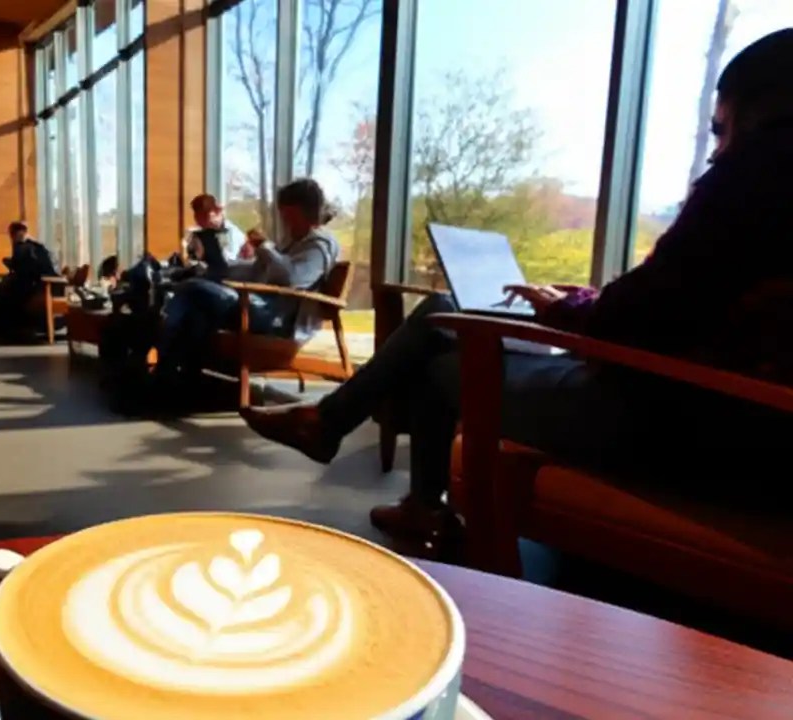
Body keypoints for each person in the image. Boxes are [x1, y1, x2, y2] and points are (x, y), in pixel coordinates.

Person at [242, 29, 793, 542]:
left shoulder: (752, 179)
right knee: (441, 310)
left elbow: (630, 320)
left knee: (435, 357)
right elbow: (679, 302)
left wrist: (570, 308)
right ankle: (342, 434)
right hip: (743, 429)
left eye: (721, 129)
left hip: (683, 428)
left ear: (757, 111)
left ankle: (361, 451)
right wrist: (581, 301)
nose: (717, 149)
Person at [156, 179, 340, 392]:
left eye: (287, 216)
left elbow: (292, 278)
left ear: (300, 211)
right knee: (197, 307)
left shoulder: (319, 246)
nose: (285, 222)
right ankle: (183, 383)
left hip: (276, 320)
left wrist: (265, 247)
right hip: (261, 307)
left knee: (192, 289)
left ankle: (163, 374)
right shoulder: (295, 243)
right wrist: (218, 270)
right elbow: (255, 270)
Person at [0, 221, 58, 341]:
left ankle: (7, 330)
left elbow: (24, 269)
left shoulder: (22, 246)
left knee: (1, 296)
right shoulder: (37, 246)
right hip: (43, 284)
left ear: (12, 234)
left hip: (34, 285)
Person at [182, 194, 248, 264]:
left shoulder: (234, 234)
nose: (198, 221)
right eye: (197, 216)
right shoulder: (194, 232)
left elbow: (231, 261)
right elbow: (190, 259)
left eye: (204, 216)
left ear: (218, 211)